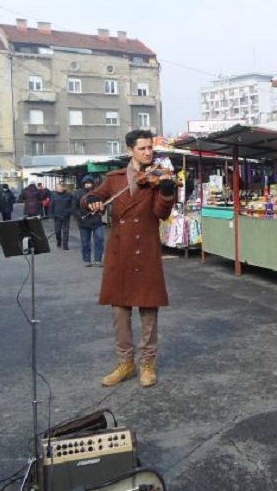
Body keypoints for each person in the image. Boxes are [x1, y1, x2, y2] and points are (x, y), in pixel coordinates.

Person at [83, 129, 176, 388]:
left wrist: (167, 193)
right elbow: (93, 197)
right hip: (119, 251)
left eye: (150, 148)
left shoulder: (160, 178)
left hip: (145, 250)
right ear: (130, 151)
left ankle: (147, 362)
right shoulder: (113, 179)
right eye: (143, 148)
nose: (148, 153)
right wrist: (90, 200)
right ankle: (125, 363)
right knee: (119, 310)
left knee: (148, 309)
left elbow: (160, 213)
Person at [73, 175, 104, 267]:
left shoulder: (98, 193)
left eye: (90, 182)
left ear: (93, 183)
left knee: (99, 240)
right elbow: (74, 208)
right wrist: (81, 216)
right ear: (83, 184)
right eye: (86, 183)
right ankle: (87, 259)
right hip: (83, 222)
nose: (88, 185)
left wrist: (100, 213)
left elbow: (103, 205)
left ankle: (97, 260)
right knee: (85, 242)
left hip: (96, 221)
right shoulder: (77, 193)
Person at [49, 182, 75, 249]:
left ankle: (65, 245)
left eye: (60, 187)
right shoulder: (53, 195)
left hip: (66, 216)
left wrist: (69, 211)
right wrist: (51, 215)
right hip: (57, 216)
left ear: (64, 188)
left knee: (66, 231)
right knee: (57, 231)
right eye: (57, 187)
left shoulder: (69, 195)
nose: (58, 188)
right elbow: (51, 205)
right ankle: (59, 241)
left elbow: (72, 205)